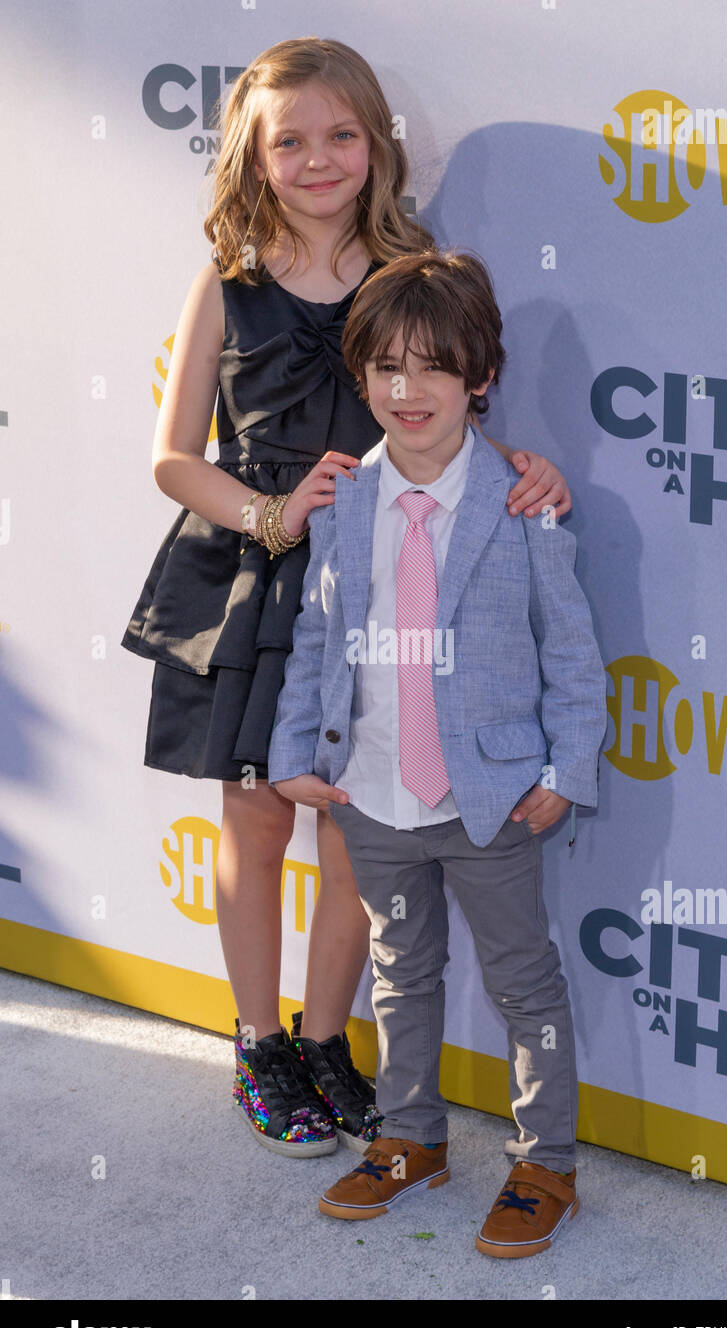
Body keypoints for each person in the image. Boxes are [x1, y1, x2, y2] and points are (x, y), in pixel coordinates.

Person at [121, 37, 573, 1160]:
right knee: (259, 814)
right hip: (252, 571)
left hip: (380, 575)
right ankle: (257, 1043)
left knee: (353, 829)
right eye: (290, 141)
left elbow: (445, 418)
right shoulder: (224, 283)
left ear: (375, 145)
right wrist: (272, 518)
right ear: (252, 157)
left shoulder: (411, 274)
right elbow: (172, 458)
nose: (318, 160)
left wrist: (523, 468)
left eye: (340, 135)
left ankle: (329, 1042)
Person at [269, 247, 607, 1256]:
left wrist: (564, 770)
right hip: (370, 793)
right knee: (398, 973)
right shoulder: (344, 501)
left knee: (522, 981)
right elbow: (320, 638)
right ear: (360, 373)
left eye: (432, 368)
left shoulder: (520, 498)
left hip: (489, 795)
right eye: (384, 368)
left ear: (480, 378)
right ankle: (410, 1136)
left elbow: (572, 648)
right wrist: (297, 748)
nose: (406, 391)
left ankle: (545, 1159)